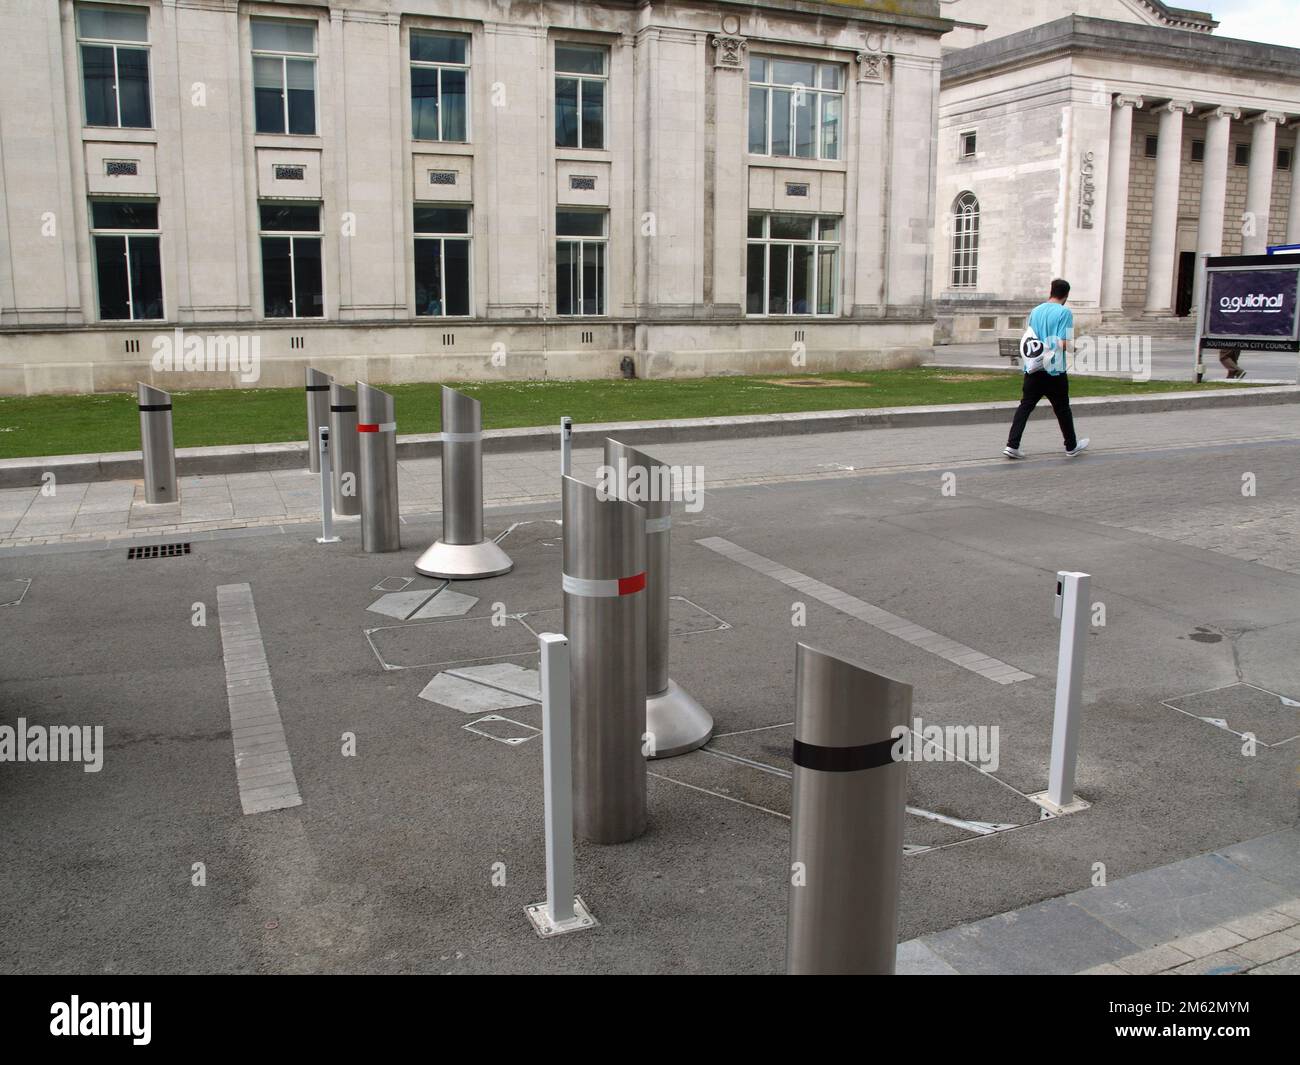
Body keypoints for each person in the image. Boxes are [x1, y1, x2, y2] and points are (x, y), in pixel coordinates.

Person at [1003, 278, 1090, 459]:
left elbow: (1031, 337)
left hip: (1034, 367)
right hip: (1054, 369)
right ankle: (1071, 446)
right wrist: (1075, 349)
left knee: (1025, 406)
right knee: (1062, 408)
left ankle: (1012, 445)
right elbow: (1062, 342)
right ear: (1066, 295)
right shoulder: (1064, 312)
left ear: (1051, 291)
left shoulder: (1036, 311)